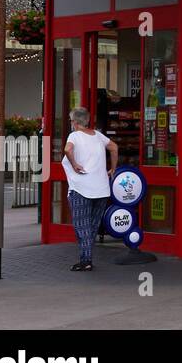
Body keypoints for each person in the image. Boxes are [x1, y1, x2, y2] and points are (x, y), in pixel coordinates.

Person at [62, 107, 117, 272]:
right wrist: (113, 168)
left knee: (81, 225)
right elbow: (114, 147)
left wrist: (74, 164)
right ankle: (86, 257)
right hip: (101, 188)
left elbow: (67, 149)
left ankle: (86, 260)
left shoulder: (74, 135)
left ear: (76, 122)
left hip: (81, 189)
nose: (71, 124)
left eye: (71, 121)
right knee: (92, 226)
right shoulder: (98, 135)